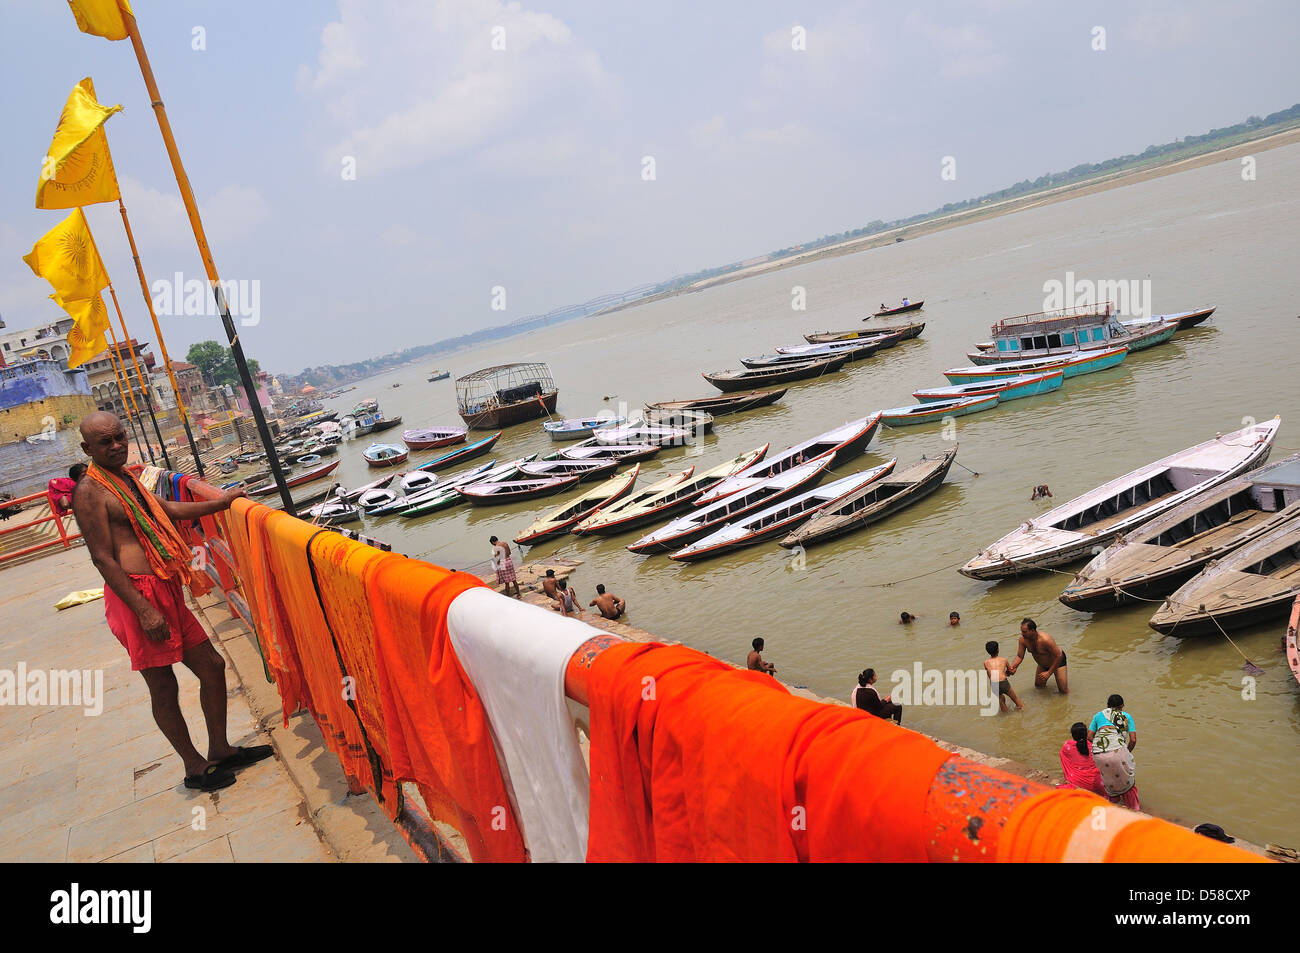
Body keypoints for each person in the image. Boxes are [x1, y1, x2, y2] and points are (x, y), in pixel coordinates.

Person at [72, 411, 268, 793]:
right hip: (137, 597)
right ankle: (195, 768)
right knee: (163, 686)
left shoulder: (126, 479)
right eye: (104, 442)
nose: (115, 446)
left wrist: (224, 501)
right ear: (87, 449)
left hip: (165, 586)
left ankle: (221, 749)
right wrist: (143, 609)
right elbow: (102, 557)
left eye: (119, 437)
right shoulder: (89, 492)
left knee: (211, 666)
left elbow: (167, 510)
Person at [1087, 694, 1139, 810]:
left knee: (1110, 782)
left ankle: (1113, 808)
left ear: (1107, 706)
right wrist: (1126, 752)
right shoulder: (1126, 716)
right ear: (1122, 706)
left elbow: (1089, 736)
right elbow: (1133, 739)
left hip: (1098, 753)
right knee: (1128, 784)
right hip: (1117, 751)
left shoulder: (1098, 715)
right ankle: (1134, 809)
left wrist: (1103, 746)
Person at [1006, 617, 1068, 693]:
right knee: (1039, 687)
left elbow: (1059, 655)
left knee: (1063, 691)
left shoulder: (1045, 640)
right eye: (1021, 631)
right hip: (1042, 664)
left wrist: (1049, 673)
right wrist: (1013, 667)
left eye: (1024, 632)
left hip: (1058, 662)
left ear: (1032, 630)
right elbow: (1019, 656)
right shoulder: (1023, 639)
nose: (1022, 634)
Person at [1058, 723, 1108, 797]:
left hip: (1077, 782)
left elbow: (1063, 756)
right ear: (1086, 734)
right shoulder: (1093, 746)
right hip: (1098, 784)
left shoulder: (1067, 746)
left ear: (1073, 735)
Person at [983, 640, 1023, 712]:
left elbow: (990, 675)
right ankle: (1023, 710)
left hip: (993, 684)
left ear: (988, 651)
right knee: (1015, 699)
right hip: (1003, 682)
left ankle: (1005, 716)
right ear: (998, 649)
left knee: (1001, 700)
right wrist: (1011, 671)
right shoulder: (1003, 660)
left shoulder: (986, 662)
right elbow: (1011, 671)